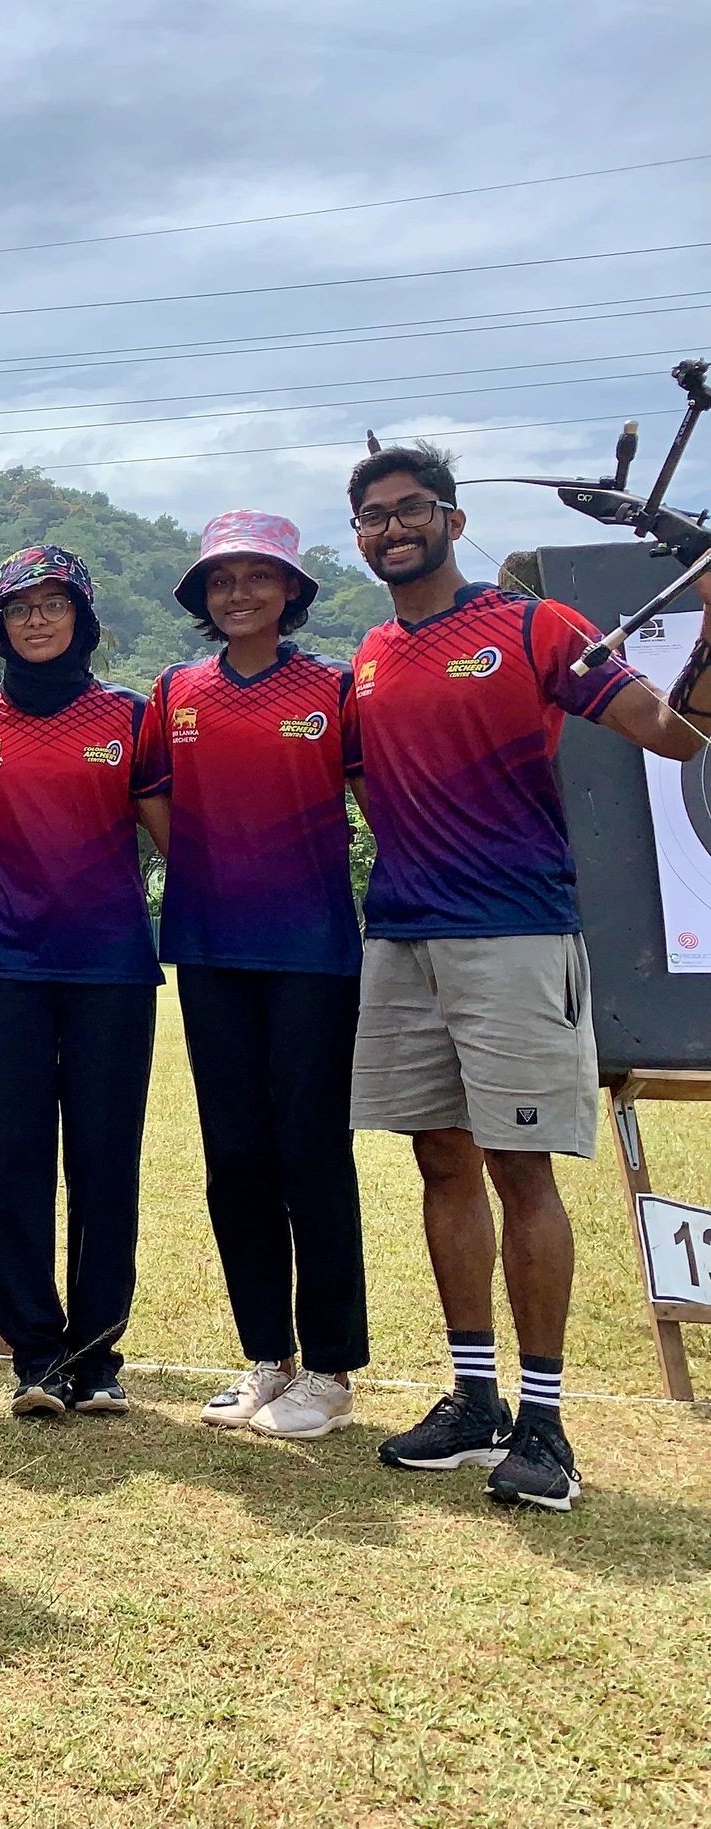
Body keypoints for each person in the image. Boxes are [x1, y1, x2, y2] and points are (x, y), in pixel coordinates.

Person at [344, 445, 711, 1510]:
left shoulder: (531, 623)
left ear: (452, 523)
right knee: (440, 1162)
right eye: (373, 515)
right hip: (402, 934)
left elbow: (672, 731)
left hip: (512, 932)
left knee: (520, 1170)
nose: (392, 527)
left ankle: (544, 1422)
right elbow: (369, 775)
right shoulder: (368, 653)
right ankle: (473, 1400)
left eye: (411, 509)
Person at [145, 512, 368, 1439]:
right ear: (202, 596)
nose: (239, 594)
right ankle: (267, 1357)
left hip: (314, 949)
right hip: (209, 947)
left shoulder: (334, 686)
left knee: (311, 1150)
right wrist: (205, 871)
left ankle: (330, 1367)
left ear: (292, 590)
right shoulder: (175, 689)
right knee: (234, 1154)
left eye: (259, 577)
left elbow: (374, 800)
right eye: (222, 580)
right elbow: (152, 795)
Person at [0, 546, 166, 1419]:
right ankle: (35, 1351)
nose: (38, 620)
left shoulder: (131, 714)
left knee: (106, 1162)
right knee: (16, 1162)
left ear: (82, 616)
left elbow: (175, 836)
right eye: (21, 607)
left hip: (110, 967)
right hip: (3, 968)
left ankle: (96, 1351)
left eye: (54, 604)